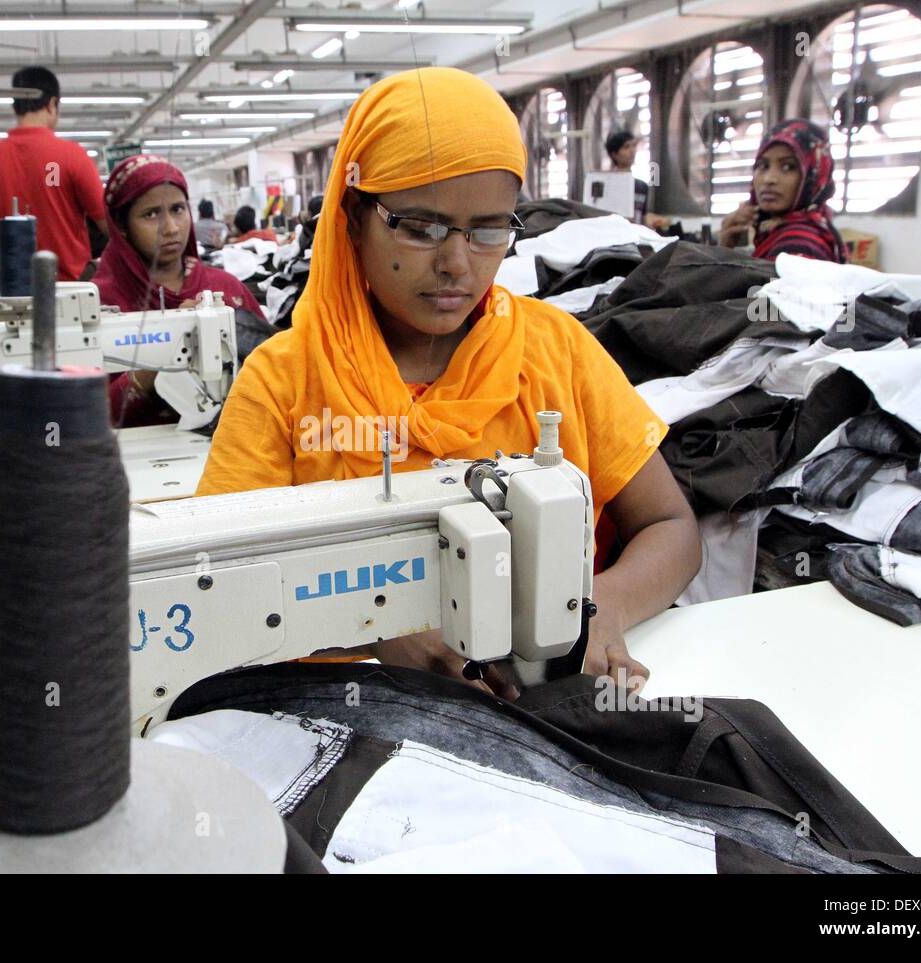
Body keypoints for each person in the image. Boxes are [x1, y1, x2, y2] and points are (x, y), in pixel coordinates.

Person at [195, 67, 700, 697]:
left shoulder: (556, 350)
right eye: (421, 227)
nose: (457, 264)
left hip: (542, 705)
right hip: (350, 716)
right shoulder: (283, 384)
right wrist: (374, 629)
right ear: (354, 218)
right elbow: (216, 586)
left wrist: (603, 607)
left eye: (489, 230)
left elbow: (670, 527)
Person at [91, 154, 266, 428]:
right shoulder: (98, 303)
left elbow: (276, 376)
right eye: (151, 215)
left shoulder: (227, 288)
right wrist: (160, 357)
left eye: (178, 209)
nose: (171, 228)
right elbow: (93, 416)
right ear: (122, 226)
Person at [0, 66, 108, 281]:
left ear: (15, 105)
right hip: (72, 287)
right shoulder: (72, 155)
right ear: (53, 104)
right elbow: (108, 224)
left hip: (16, 290)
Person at [719, 119, 847, 263]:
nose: (769, 179)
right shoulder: (775, 232)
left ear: (813, 175)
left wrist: (721, 259)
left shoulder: (796, 246)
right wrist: (725, 249)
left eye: (788, 167)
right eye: (763, 166)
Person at [604, 129, 653, 226]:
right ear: (614, 154)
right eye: (626, 147)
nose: (632, 151)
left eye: (634, 146)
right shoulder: (607, 185)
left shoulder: (642, 186)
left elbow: (644, 218)